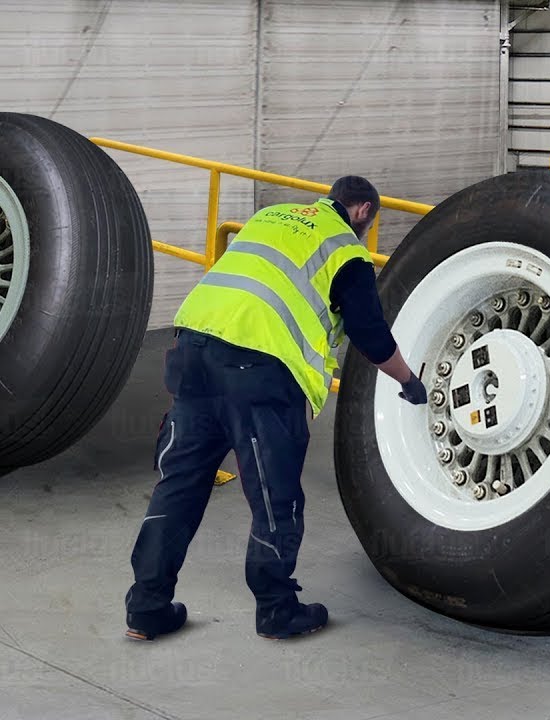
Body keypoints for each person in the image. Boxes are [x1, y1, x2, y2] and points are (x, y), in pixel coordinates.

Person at [123, 176, 429, 641]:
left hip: (192, 349)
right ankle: (276, 611)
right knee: (273, 495)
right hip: (260, 368)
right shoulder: (346, 250)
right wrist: (408, 381)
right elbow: (370, 335)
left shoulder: (269, 217)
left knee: (180, 484)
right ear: (364, 211)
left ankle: (146, 607)